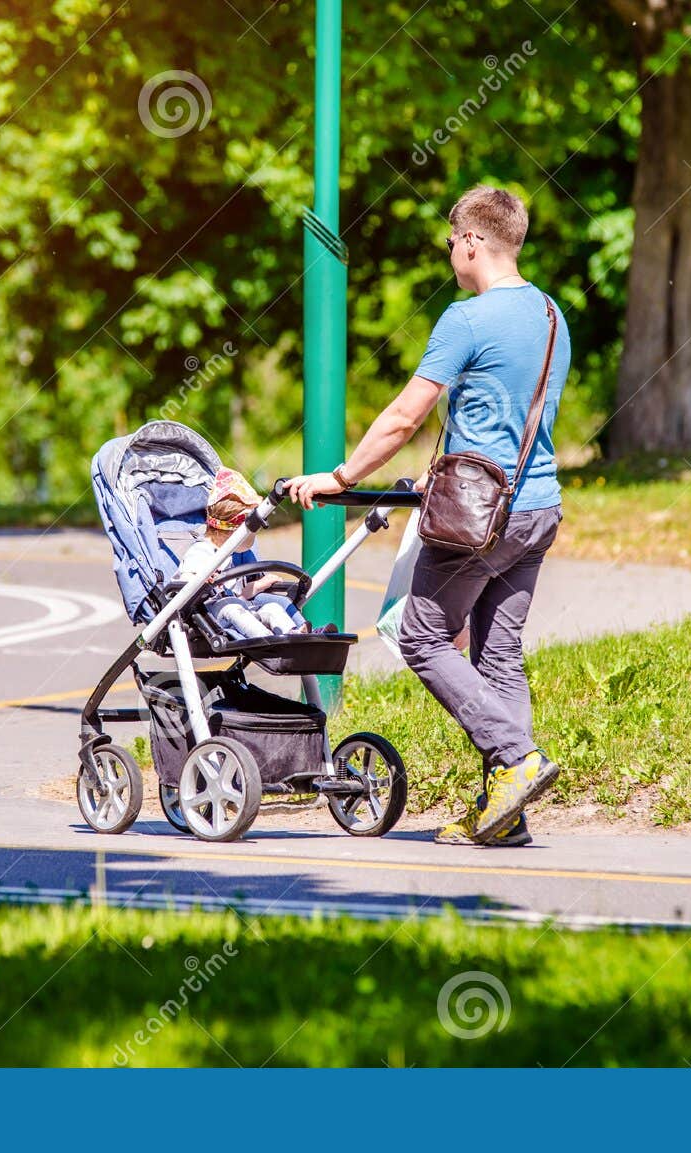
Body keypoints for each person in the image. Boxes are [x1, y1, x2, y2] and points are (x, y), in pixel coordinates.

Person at [285, 185, 568, 847]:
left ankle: (517, 758)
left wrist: (342, 477)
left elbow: (406, 416)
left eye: (450, 243)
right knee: (499, 657)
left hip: (478, 519)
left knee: (420, 635)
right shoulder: (552, 314)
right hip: (539, 508)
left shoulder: (466, 319)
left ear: (471, 241)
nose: (450, 254)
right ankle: (507, 814)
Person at [179, 468, 310, 639]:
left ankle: (294, 634)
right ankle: (267, 639)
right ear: (235, 532)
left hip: (243, 609)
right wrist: (200, 580)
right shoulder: (200, 552)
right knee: (231, 606)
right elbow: (182, 584)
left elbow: (240, 594)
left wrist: (260, 585)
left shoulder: (234, 555)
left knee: (273, 607)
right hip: (211, 615)